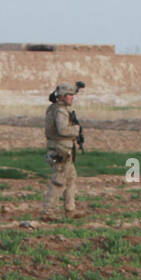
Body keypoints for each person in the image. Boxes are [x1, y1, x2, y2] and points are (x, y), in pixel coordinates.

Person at [42, 82, 85, 221]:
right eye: (69, 95)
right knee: (59, 181)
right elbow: (62, 130)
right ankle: (48, 212)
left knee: (71, 178)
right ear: (61, 96)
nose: (72, 98)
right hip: (61, 150)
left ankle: (70, 209)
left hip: (62, 149)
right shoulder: (60, 111)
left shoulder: (54, 108)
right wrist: (76, 130)